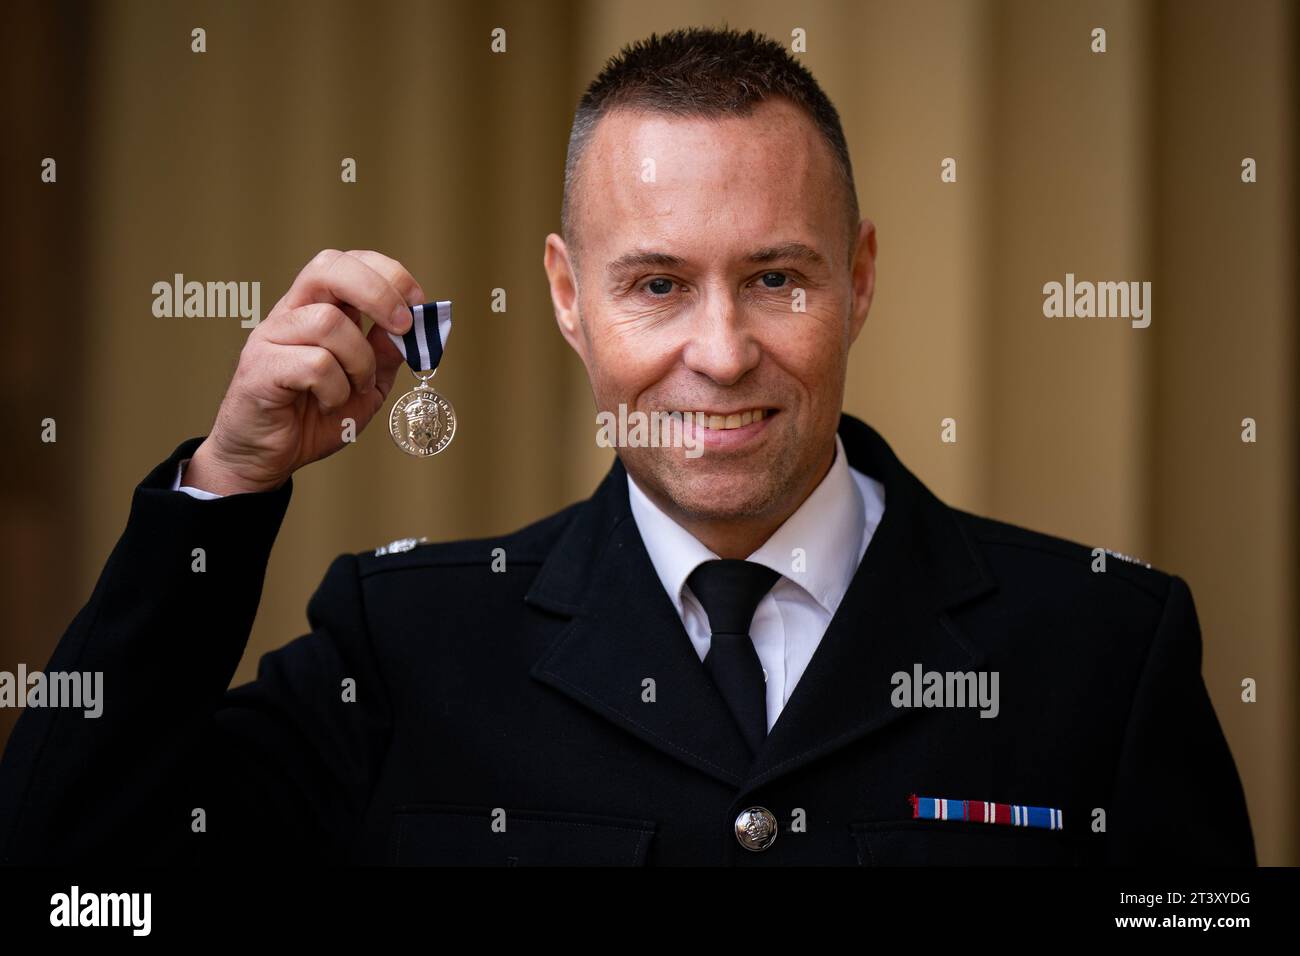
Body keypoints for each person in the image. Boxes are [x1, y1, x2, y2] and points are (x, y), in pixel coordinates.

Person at [0, 27, 1253, 865]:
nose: (719, 350)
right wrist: (226, 485)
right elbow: (62, 869)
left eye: (775, 276)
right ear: (565, 296)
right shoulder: (407, 645)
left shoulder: (1101, 650)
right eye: (655, 285)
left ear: (860, 277)